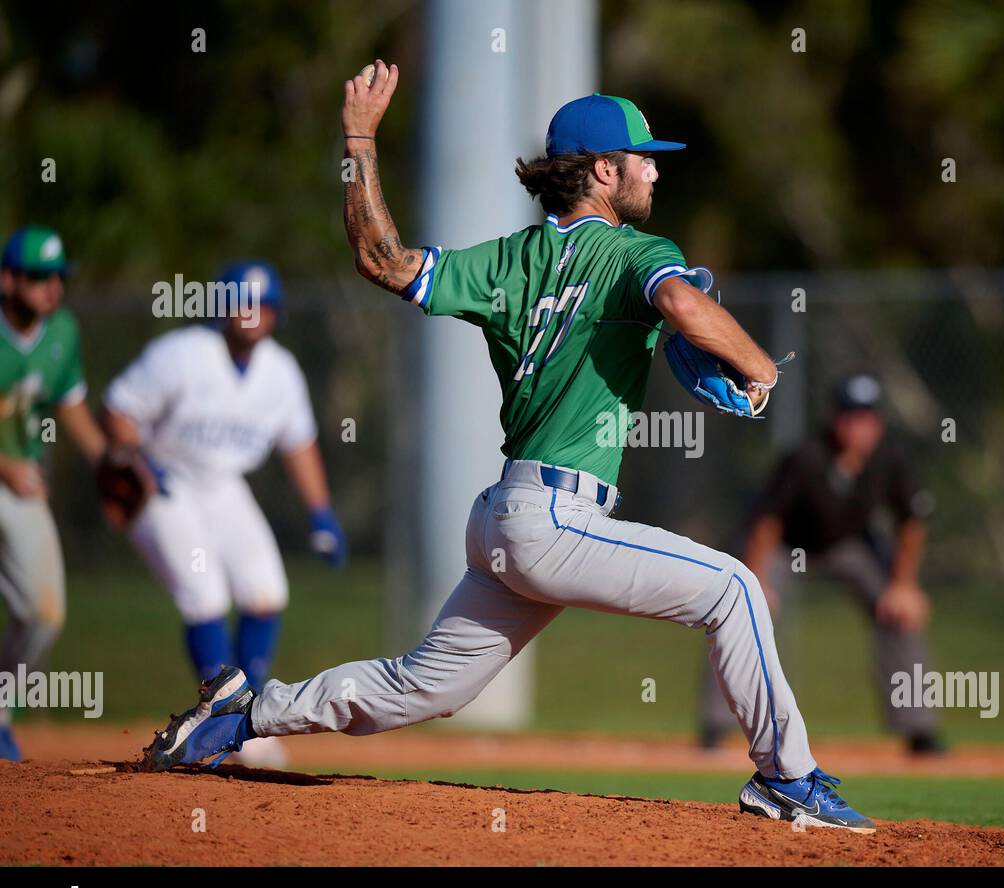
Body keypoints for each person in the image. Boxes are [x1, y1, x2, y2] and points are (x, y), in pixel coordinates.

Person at [140, 62, 875, 832]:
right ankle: (787, 779)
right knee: (734, 590)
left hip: (503, 520)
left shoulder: (505, 262)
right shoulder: (634, 254)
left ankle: (244, 712)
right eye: (643, 156)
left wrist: (358, 138)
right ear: (602, 171)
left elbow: (381, 261)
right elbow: (680, 301)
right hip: (556, 521)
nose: (654, 169)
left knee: (425, 686)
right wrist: (759, 368)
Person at [102, 261, 347, 768]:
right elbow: (119, 409)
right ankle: (212, 725)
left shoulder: (279, 371)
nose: (251, 313)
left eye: (262, 304)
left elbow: (298, 443)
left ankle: (242, 719)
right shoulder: (184, 354)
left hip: (223, 487)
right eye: (242, 301)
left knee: (266, 592)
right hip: (166, 482)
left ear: (276, 313)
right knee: (204, 592)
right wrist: (137, 459)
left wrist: (320, 510)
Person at [700, 374, 943, 754]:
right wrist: (757, 580)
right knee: (738, 609)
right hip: (785, 545)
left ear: (877, 422)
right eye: (850, 415)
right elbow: (767, 521)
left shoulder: (889, 457)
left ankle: (919, 730)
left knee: (900, 611)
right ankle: (716, 726)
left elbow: (912, 521)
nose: (859, 426)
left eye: (867, 417)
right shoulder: (807, 457)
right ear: (834, 418)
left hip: (849, 546)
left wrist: (904, 585)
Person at [0, 226, 106, 760]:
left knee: (45, 614)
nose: (52, 289)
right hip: (10, 474)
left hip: (22, 488)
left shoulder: (60, 329)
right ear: (9, 279)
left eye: (58, 277)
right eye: (39, 277)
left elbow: (71, 406)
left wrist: (108, 461)